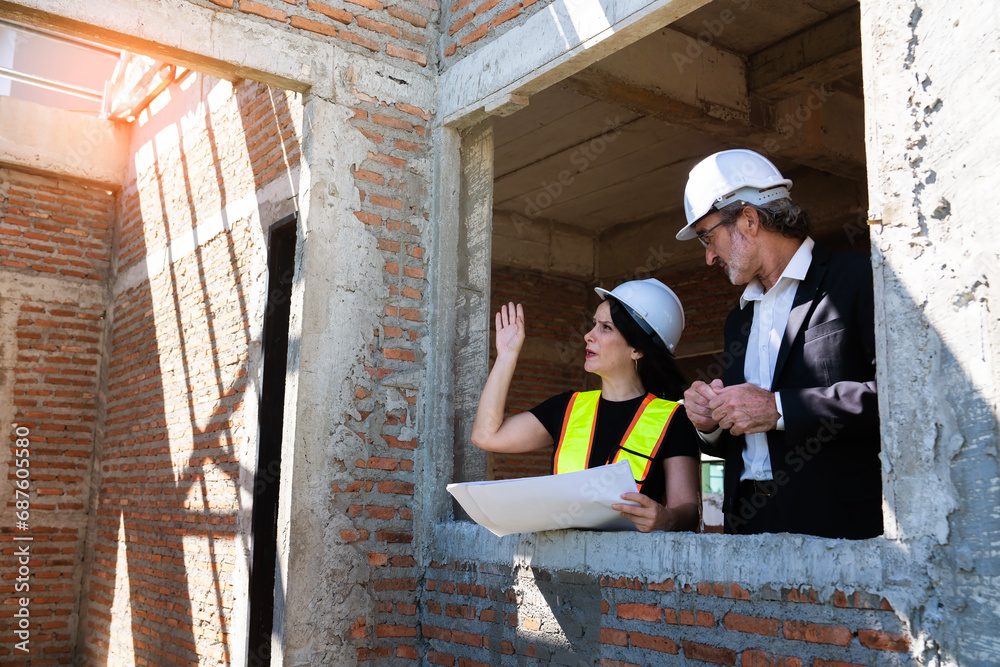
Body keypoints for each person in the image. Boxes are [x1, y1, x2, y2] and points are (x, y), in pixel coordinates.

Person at [676, 148, 881, 539]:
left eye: (707, 237)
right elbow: (743, 440)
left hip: (838, 523)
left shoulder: (858, 279)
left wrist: (779, 408)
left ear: (749, 220)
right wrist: (710, 426)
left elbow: (899, 400)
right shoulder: (738, 319)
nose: (707, 256)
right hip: (748, 521)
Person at [470, 279, 701, 533]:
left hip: (631, 569)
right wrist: (506, 356)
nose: (588, 336)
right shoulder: (568, 408)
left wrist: (665, 519)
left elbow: (688, 512)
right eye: (594, 325)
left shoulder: (673, 419)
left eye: (605, 328)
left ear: (637, 349)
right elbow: (486, 435)